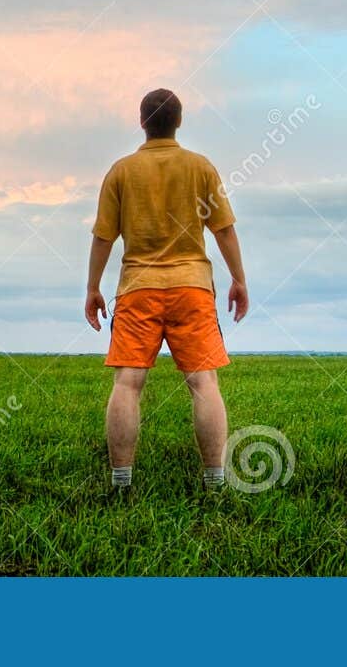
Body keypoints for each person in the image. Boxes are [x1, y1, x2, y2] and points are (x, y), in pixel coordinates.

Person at [83, 88, 248, 492]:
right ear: (178, 121)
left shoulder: (121, 172)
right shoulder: (201, 167)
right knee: (204, 384)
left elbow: (104, 238)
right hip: (192, 288)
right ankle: (214, 482)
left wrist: (93, 287)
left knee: (127, 384)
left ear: (142, 123)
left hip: (138, 289)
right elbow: (224, 229)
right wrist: (239, 280)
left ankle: (121, 483)